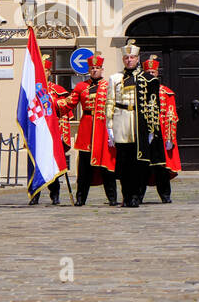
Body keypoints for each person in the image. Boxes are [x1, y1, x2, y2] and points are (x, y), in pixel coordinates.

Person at [106, 40, 163, 207]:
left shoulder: (148, 79)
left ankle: (137, 196)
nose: (129, 60)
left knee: (139, 163)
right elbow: (110, 102)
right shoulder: (115, 78)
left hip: (139, 123)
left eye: (132, 57)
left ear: (138, 59)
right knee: (123, 163)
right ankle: (126, 196)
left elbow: (154, 105)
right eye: (126, 57)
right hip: (121, 120)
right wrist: (109, 126)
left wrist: (152, 128)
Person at [68, 53, 118, 206]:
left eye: (97, 68)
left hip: (103, 129)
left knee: (107, 166)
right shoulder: (81, 87)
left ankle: (112, 198)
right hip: (86, 129)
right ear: (88, 70)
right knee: (84, 168)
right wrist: (52, 105)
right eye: (92, 68)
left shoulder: (109, 86)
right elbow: (69, 103)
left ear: (102, 69)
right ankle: (80, 198)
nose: (94, 70)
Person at [29, 55, 73, 206]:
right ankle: (35, 194)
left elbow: (65, 110)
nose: (43, 73)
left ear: (49, 73)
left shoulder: (56, 91)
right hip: (38, 134)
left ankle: (55, 194)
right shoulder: (31, 92)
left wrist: (51, 101)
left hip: (52, 134)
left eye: (46, 71)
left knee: (52, 167)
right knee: (37, 166)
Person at [142, 56, 181, 203]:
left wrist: (170, 137)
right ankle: (138, 195)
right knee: (143, 166)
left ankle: (165, 195)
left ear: (157, 73)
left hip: (161, 134)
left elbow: (171, 115)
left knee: (162, 168)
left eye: (153, 72)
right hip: (144, 133)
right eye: (148, 72)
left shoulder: (166, 92)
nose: (151, 74)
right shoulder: (140, 92)